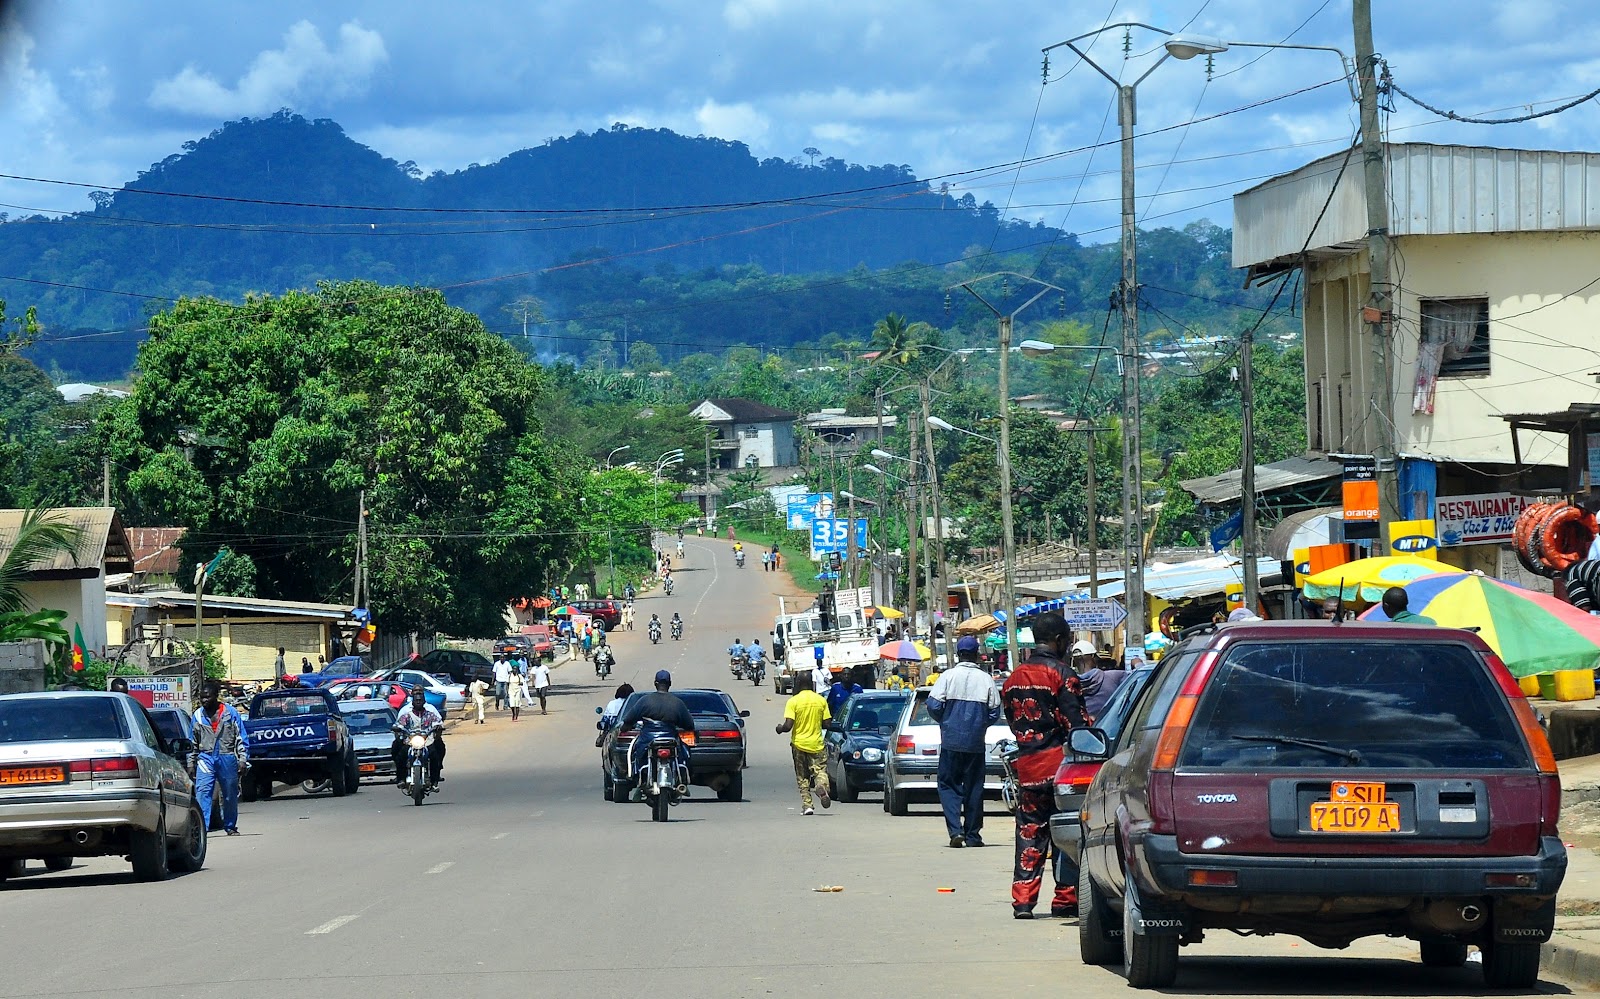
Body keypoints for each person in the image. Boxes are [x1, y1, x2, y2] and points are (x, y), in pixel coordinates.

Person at [1000, 611, 1093, 919]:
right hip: (1060, 769)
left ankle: (1023, 901)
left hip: (1026, 768)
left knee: (1029, 833)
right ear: (1058, 640)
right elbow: (1076, 724)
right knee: (1067, 833)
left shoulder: (1013, 679)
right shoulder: (1062, 674)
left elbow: (1014, 722)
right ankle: (1066, 900)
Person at [929, 635, 1002, 849]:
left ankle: (955, 830)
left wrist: (946, 721)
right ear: (977, 655)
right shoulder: (986, 679)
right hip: (975, 744)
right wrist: (979, 725)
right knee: (974, 788)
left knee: (948, 785)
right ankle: (972, 835)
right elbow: (994, 711)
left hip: (951, 742)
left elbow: (933, 706)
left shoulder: (947, 677)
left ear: (958, 654)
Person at [193, 679, 249, 836]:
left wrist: (243, 760)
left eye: (207, 697)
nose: (204, 701)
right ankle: (202, 828)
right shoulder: (197, 716)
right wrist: (191, 762)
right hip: (206, 758)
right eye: (201, 697)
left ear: (216, 696)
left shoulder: (230, 713)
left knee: (229, 794)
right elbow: (192, 742)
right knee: (203, 792)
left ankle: (230, 825)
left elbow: (241, 738)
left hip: (227, 756)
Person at [617, 670, 695, 779]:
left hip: (647, 740)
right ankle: (683, 778)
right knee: (685, 753)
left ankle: (636, 776)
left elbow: (629, 719)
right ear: (670, 684)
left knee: (634, 754)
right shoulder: (677, 703)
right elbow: (689, 725)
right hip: (671, 739)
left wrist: (626, 727)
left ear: (655, 683)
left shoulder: (644, 701)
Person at [777, 683, 831, 814]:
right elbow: (827, 723)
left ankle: (807, 805)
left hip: (799, 744)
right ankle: (821, 786)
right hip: (817, 744)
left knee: (802, 776)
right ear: (812, 684)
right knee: (820, 771)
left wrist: (780, 729)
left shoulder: (793, 701)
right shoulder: (820, 700)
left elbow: (788, 725)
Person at [391, 687, 446, 788]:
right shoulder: (406, 714)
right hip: (410, 741)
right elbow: (398, 724)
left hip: (427, 741)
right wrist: (398, 729)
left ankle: (434, 781)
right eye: (416, 700)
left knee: (434, 755)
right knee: (401, 755)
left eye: (420, 700)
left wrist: (438, 727)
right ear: (412, 700)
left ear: (424, 700)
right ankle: (401, 778)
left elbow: (438, 722)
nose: (418, 702)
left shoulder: (430, 713)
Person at [1071, 639, 1128, 718]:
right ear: (1094, 658)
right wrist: (1138, 663)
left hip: (1085, 728)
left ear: (1074, 661)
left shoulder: (1070, 685)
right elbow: (1142, 680)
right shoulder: (1114, 677)